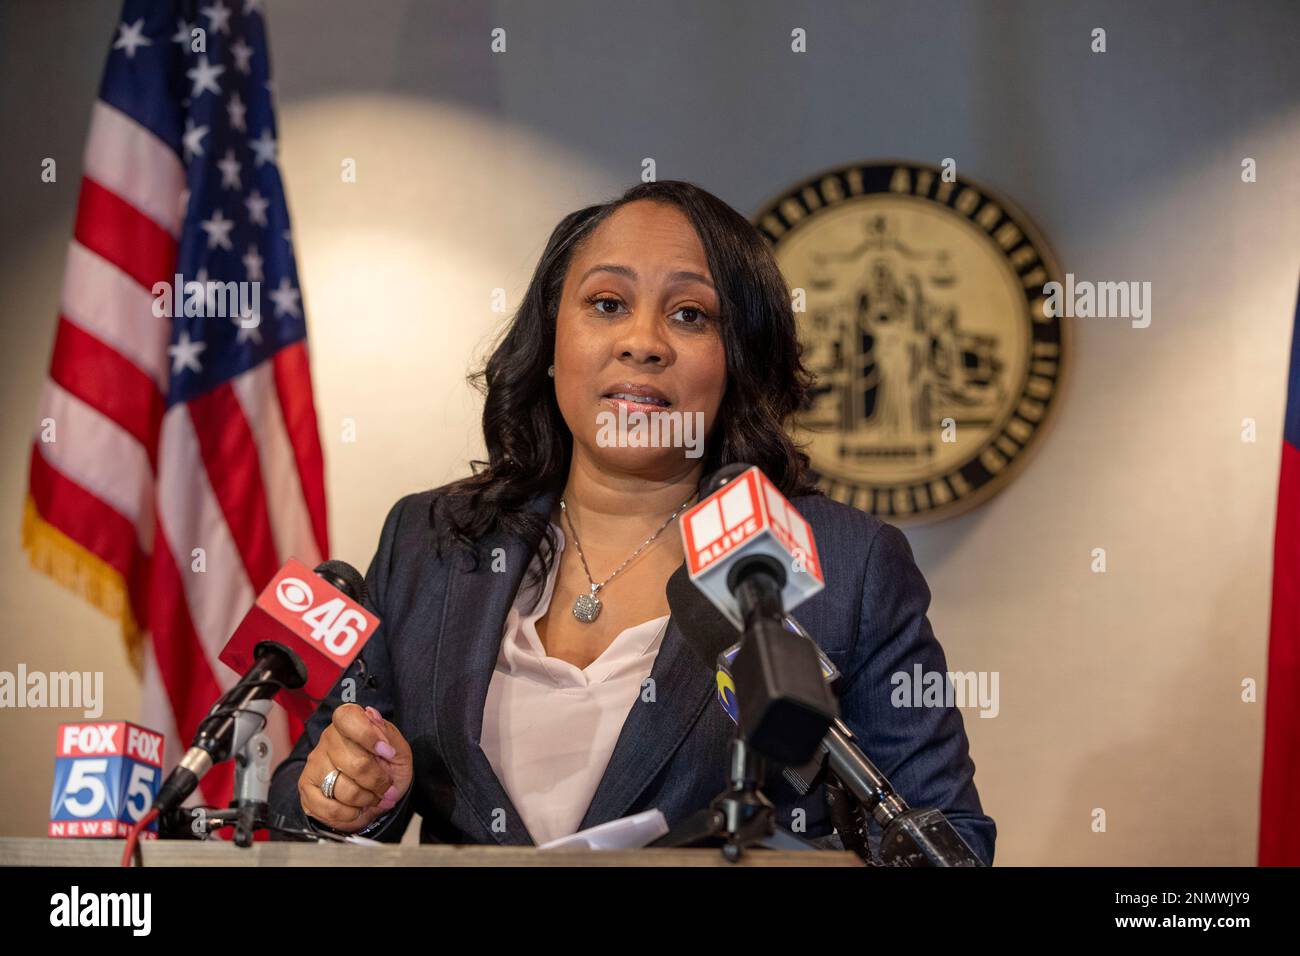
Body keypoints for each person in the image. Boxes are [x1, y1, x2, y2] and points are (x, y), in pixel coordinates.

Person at [267, 180, 996, 863]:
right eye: (607, 303)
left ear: (736, 361)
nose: (643, 341)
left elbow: (945, 840)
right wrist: (347, 791)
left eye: (690, 315)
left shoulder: (846, 563)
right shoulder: (432, 540)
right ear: (552, 343)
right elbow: (303, 800)